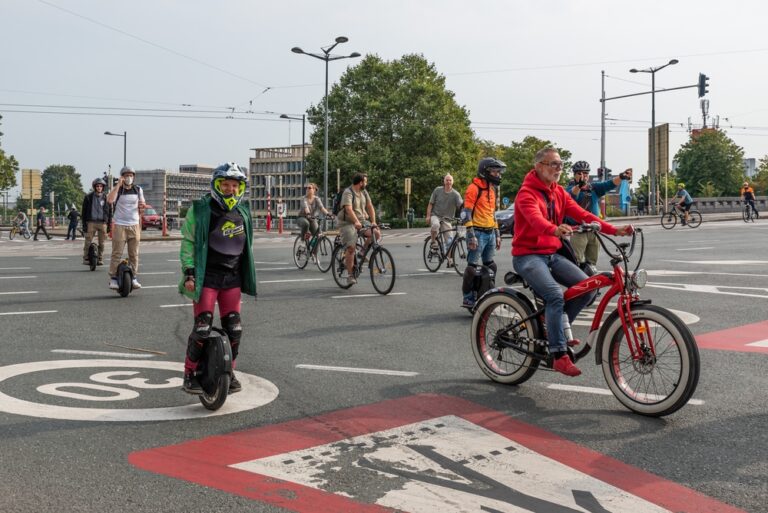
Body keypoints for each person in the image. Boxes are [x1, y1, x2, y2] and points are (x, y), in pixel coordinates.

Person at [512, 147, 633, 377]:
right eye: (553, 164)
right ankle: (559, 354)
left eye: (560, 165)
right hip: (528, 255)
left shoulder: (558, 192)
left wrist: (614, 230)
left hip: (551, 254)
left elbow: (583, 214)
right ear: (538, 166)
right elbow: (536, 220)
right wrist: (554, 229)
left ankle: (553, 326)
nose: (558, 169)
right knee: (555, 295)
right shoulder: (527, 193)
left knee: (587, 289)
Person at [179, 163, 256, 394]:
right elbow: (188, 242)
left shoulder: (243, 212)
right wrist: (189, 272)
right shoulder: (201, 210)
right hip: (207, 278)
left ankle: (229, 373)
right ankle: (189, 374)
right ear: (217, 185)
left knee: (235, 329)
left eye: (235, 185)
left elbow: (245, 247)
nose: (231, 189)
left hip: (231, 279)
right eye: (226, 185)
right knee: (202, 327)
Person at [565, 162, 632, 269]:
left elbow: (608, 184)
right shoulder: (569, 189)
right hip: (578, 231)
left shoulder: (593, 188)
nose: (583, 175)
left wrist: (621, 177)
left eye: (586, 173)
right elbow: (572, 195)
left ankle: (591, 281)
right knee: (576, 262)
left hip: (594, 230)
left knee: (591, 263)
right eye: (579, 173)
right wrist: (579, 185)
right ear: (574, 174)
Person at [460, 158, 505, 308]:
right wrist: (471, 234)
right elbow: (466, 213)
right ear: (485, 172)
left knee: (491, 267)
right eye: (494, 171)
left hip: (490, 232)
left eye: (498, 172)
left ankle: (487, 294)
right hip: (477, 232)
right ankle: (467, 297)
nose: (498, 175)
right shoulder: (474, 188)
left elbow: (492, 214)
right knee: (472, 268)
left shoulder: (491, 190)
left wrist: (497, 233)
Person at [107, 166, 145, 290]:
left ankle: (133, 277)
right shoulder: (118, 190)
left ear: (134, 177)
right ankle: (113, 278)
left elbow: (142, 204)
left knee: (134, 254)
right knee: (116, 253)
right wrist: (118, 185)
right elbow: (110, 200)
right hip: (120, 225)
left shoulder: (138, 189)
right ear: (122, 177)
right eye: (126, 175)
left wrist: (142, 206)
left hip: (134, 225)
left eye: (131, 175)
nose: (129, 178)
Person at [337, 173, 379, 286]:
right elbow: (348, 209)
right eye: (365, 181)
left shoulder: (364, 192)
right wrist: (355, 221)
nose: (366, 183)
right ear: (360, 182)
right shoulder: (348, 192)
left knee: (375, 233)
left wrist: (373, 221)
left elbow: (370, 206)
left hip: (360, 220)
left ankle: (362, 252)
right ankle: (350, 275)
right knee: (351, 248)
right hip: (347, 222)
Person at [425, 174, 463, 258]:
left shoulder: (456, 194)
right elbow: (430, 204)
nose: (448, 182)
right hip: (436, 215)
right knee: (436, 225)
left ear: (453, 182)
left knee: (449, 240)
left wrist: (465, 216)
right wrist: (428, 216)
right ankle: (433, 242)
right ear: (444, 181)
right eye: (447, 180)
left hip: (447, 219)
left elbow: (461, 206)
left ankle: (450, 260)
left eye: (450, 180)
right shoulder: (437, 190)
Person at [81, 178, 112, 265]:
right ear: (95, 187)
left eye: (101, 186)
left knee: (102, 243)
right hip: (91, 222)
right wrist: (84, 225)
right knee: (88, 241)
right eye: (97, 186)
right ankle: (85, 258)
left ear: (103, 187)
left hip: (103, 223)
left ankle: (100, 258)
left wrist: (109, 226)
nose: (99, 188)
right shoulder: (88, 197)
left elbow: (110, 212)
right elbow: (83, 212)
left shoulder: (107, 198)